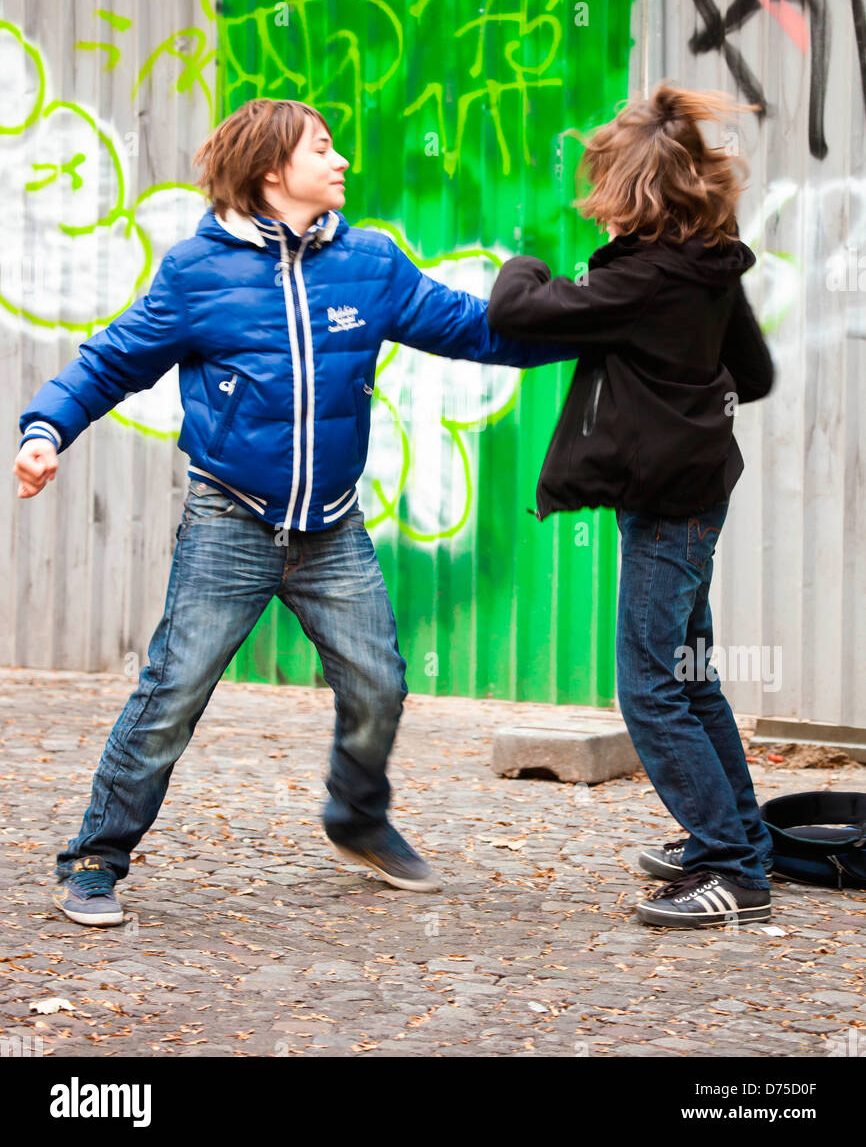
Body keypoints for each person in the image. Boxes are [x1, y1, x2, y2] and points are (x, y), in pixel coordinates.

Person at [14, 97, 579, 927]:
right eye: (324, 148)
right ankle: (96, 857)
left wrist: (598, 322)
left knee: (382, 685)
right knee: (172, 694)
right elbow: (110, 363)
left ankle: (355, 818)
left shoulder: (370, 265)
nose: (341, 159)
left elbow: (474, 331)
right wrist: (45, 430)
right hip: (230, 524)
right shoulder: (197, 272)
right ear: (275, 171)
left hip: (332, 530)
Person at [486, 80, 776, 930]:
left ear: (630, 197)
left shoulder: (644, 278)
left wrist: (527, 259)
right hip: (694, 496)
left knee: (649, 689)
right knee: (691, 677)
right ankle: (740, 842)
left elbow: (520, 308)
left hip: (666, 507)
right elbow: (751, 375)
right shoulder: (710, 266)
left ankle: (732, 871)